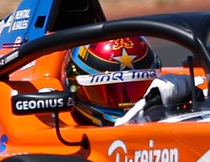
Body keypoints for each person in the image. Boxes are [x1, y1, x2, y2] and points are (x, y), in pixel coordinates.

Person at [66, 37, 196, 125]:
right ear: (74, 86)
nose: (127, 107)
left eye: (137, 89)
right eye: (111, 93)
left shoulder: (172, 86)